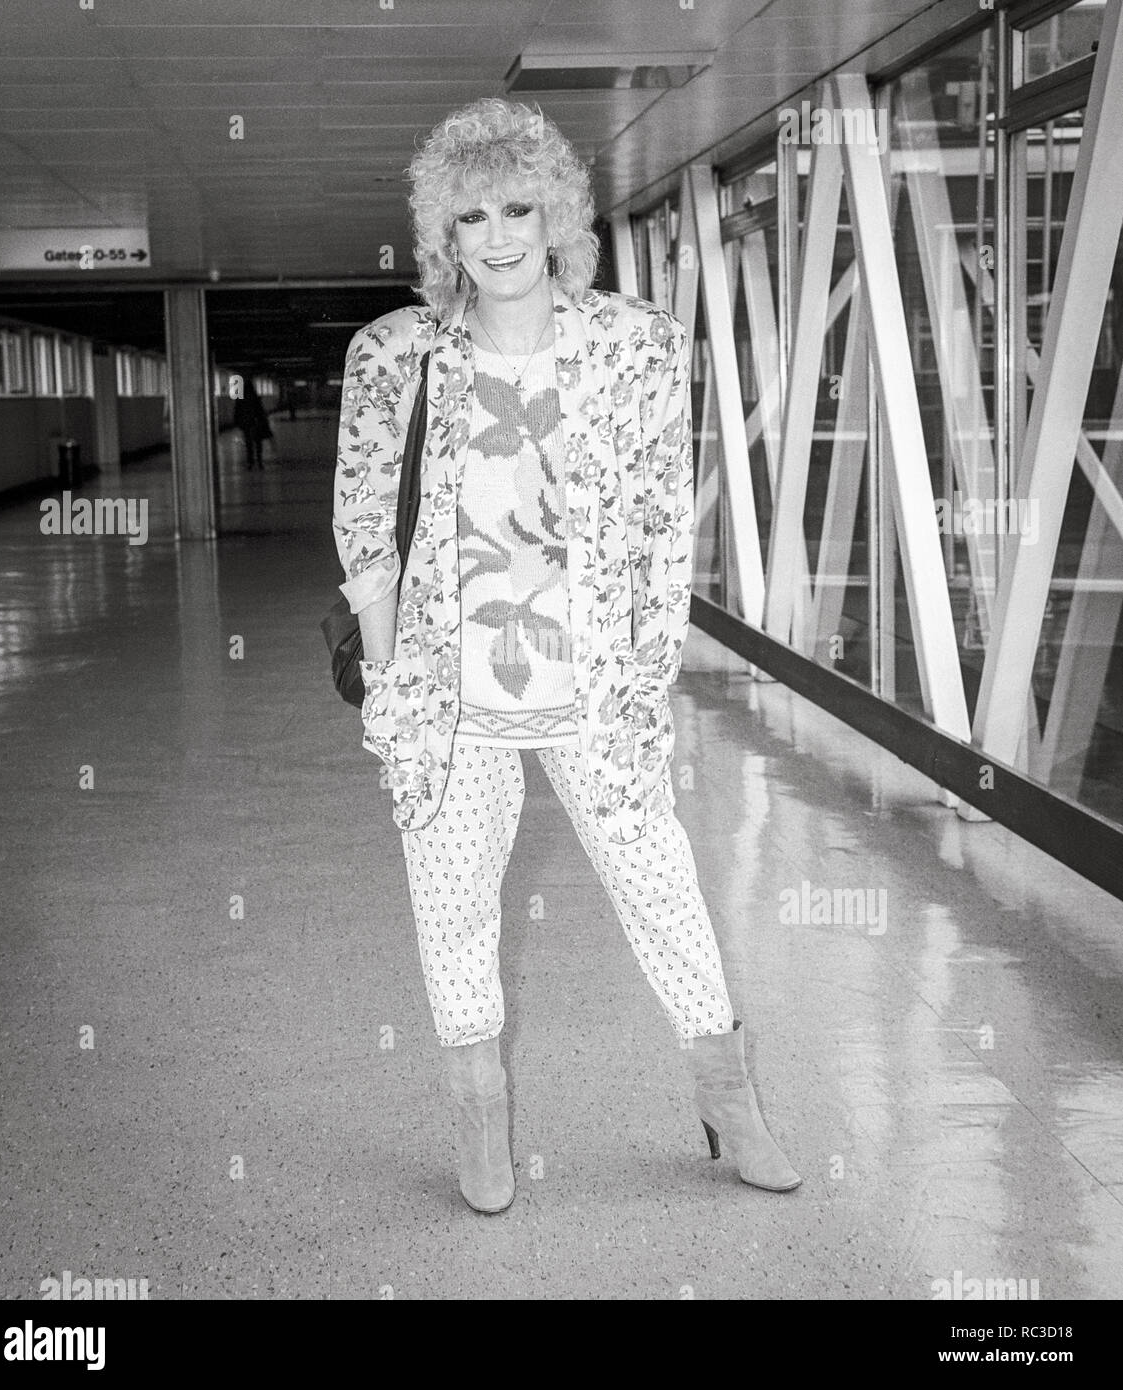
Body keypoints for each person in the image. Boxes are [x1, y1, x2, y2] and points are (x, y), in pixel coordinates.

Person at [332, 96, 800, 1213]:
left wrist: (642, 690)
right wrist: (395, 688)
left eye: (518, 209)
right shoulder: (397, 354)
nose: (497, 237)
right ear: (443, 234)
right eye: (472, 216)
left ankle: (729, 1103)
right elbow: (363, 527)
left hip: (592, 684)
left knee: (662, 885)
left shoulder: (632, 345)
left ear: (557, 220)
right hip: (448, 696)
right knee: (453, 907)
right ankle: (478, 1116)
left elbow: (654, 533)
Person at [233, 376, 272, 470]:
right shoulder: (256, 399)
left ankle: (250, 462)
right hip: (256, 423)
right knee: (258, 443)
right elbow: (261, 412)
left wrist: (238, 422)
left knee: (249, 444)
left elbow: (236, 412)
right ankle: (259, 461)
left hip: (246, 424)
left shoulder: (240, 400)